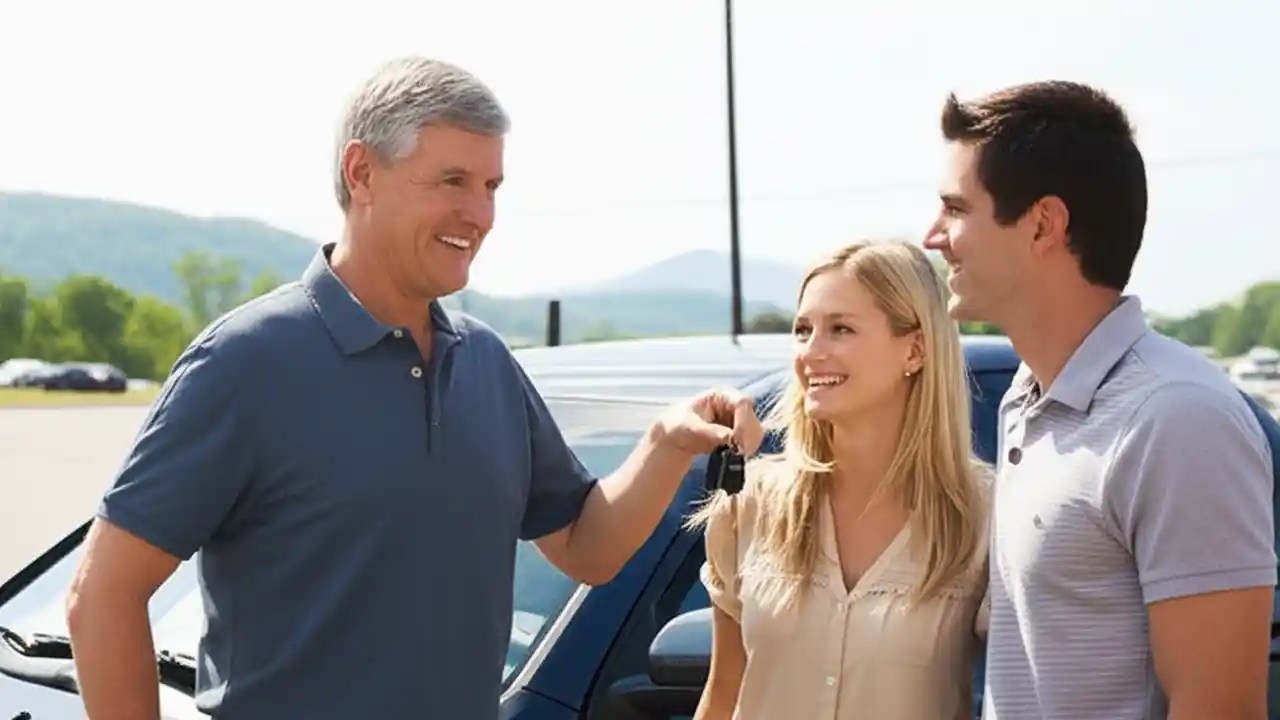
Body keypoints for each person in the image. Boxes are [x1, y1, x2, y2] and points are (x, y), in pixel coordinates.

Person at [63, 56, 764, 720]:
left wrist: (665, 443)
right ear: (361, 171)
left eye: (491, 188)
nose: (480, 215)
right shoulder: (245, 363)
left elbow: (588, 548)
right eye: (452, 181)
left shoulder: (487, 363)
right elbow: (102, 596)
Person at [924, 80, 1276, 719]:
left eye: (955, 208)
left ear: (1044, 225)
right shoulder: (1026, 402)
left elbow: (1220, 708)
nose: (932, 235)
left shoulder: (1177, 419)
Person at [690, 239, 992, 720]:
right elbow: (724, 692)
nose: (811, 353)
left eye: (841, 330)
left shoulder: (984, 515)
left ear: (915, 349)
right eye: (803, 330)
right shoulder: (747, 504)